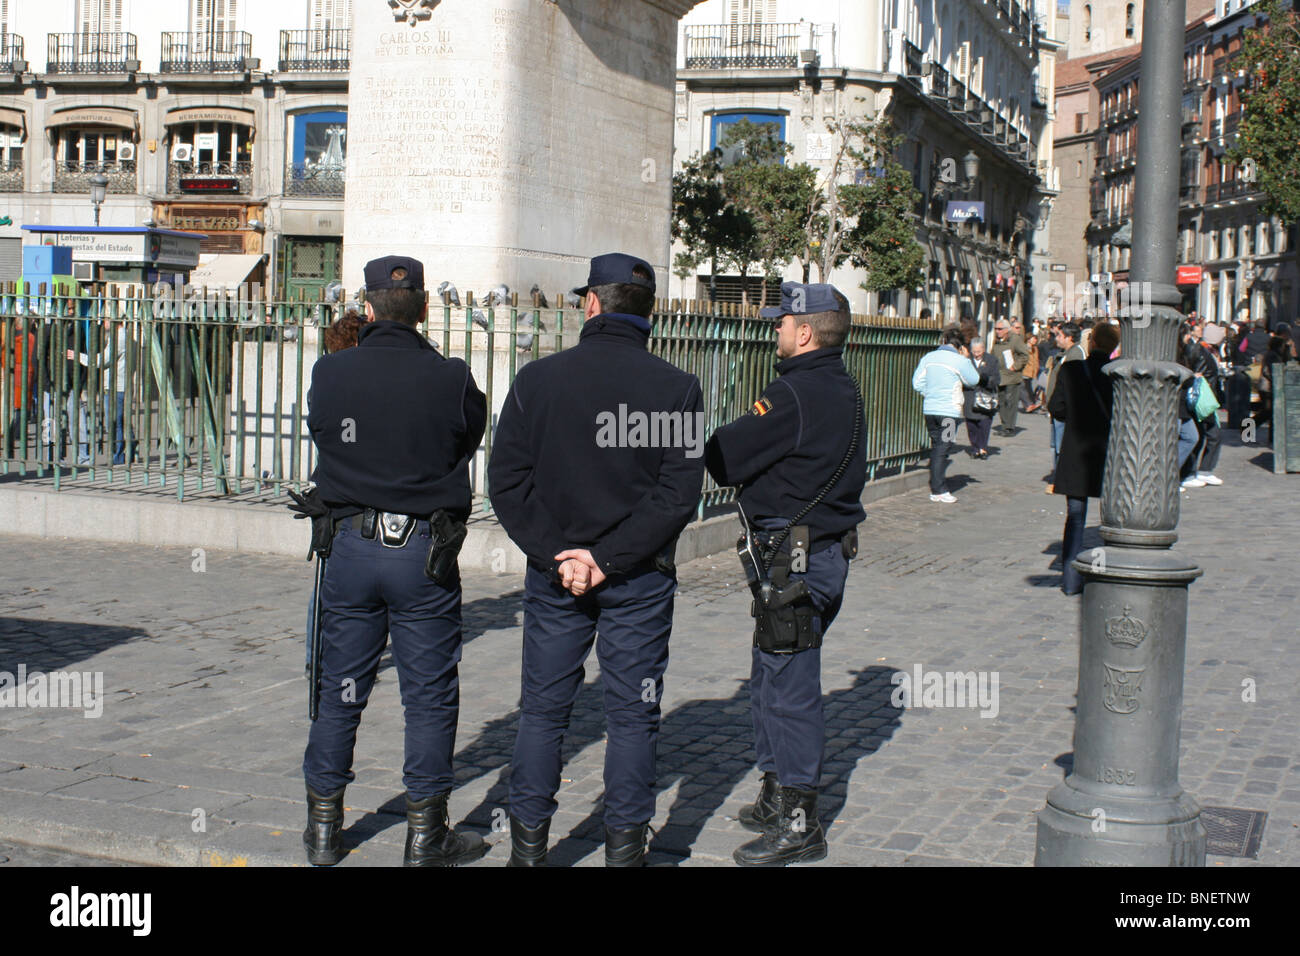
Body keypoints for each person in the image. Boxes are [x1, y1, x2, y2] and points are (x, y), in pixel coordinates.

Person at [488, 253, 705, 868]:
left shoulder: (538, 380)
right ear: (648, 311)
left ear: (590, 304)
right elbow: (677, 496)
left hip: (557, 575)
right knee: (633, 715)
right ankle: (625, 852)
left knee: (543, 710)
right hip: (635, 576)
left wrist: (562, 554)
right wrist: (606, 559)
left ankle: (528, 849)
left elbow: (507, 483)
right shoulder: (675, 388)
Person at [291, 255, 488, 867]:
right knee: (428, 694)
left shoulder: (331, 372)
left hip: (350, 547)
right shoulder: (452, 378)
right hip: (421, 556)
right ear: (425, 308)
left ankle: (324, 829)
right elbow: (469, 436)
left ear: (368, 308)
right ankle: (425, 836)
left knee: (340, 686)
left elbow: (323, 432)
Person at [704, 281, 867, 866]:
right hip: (809, 551)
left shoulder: (795, 393)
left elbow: (724, 455)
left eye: (780, 323)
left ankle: (801, 822)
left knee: (791, 686)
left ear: (804, 331)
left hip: (796, 556)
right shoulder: (840, 385)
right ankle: (776, 793)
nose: (774, 330)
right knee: (771, 672)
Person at [1048, 322, 1119, 596]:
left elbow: (1057, 408)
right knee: (1110, 521)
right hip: (1107, 454)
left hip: (1077, 452)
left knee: (1075, 517)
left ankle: (1070, 580)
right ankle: (1102, 576)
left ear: (1091, 343)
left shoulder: (1071, 369)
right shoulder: (1116, 375)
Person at [911, 325, 978, 502]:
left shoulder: (929, 357)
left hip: (930, 409)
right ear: (961, 346)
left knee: (937, 446)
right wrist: (966, 358)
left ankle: (937, 485)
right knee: (943, 447)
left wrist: (930, 393)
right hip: (949, 411)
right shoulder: (960, 360)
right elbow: (974, 379)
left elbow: (917, 383)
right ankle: (938, 489)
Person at [1045, 322, 1084, 493]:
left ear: (1069, 337)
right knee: (1056, 446)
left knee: (1061, 447)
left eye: (1059, 335)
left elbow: (1073, 384)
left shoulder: (1076, 354)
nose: (1056, 338)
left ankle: (1060, 480)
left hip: (1064, 411)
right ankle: (1058, 478)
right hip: (1057, 409)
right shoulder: (1064, 354)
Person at [990, 319, 1030, 435]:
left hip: (1012, 376)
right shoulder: (997, 341)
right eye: (996, 329)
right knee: (1002, 401)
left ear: (1006, 330)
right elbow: (993, 354)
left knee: (1011, 402)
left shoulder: (1015, 340)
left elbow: (1024, 355)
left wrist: (1015, 366)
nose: (997, 331)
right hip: (1000, 376)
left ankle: (1009, 427)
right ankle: (1004, 425)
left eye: (1000, 329)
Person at [963, 337, 999, 459]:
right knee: (971, 425)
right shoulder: (966, 360)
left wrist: (986, 380)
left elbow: (997, 379)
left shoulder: (992, 360)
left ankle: (983, 447)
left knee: (984, 424)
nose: (977, 354)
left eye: (979, 351)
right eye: (974, 351)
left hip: (985, 397)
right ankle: (974, 447)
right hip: (969, 396)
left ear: (984, 349)